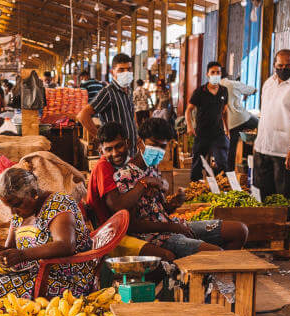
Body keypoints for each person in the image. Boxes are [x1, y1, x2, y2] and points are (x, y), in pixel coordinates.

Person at [88, 121, 246, 258]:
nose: (115, 153)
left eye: (162, 146)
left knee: (239, 230)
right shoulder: (120, 175)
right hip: (151, 235)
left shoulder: (151, 168)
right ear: (140, 143)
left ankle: (213, 278)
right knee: (217, 254)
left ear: (128, 143)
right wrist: (144, 184)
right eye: (153, 145)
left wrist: (175, 203)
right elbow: (128, 219)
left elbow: (158, 209)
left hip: (170, 225)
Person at [0, 166, 99, 303]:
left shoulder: (59, 203)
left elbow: (66, 245)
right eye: (9, 207)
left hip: (63, 279)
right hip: (30, 274)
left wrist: (22, 255)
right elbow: (8, 251)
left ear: (33, 193)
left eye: (17, 204)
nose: (13, 212)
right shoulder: (19, 216)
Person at [253, 47, 290, 213]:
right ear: (274, 65)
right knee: (264, 198)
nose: (283, 69)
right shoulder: (269, 83)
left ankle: (287, 229)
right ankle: (266, 229)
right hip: (264, 150)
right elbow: (265, 114)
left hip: (285, 153)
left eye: (288, 65)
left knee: (285, 200)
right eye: (280, 65)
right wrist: (258, 143)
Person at [78, 53, 139, 155]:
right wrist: (101, 140)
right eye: (121, 70)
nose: (126, 73)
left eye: (129, 69)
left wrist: (136, 135)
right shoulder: (108, 92)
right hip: (115, 154)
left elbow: (131, 116)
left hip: (130, 152)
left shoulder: (129, 91)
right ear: (112, 72)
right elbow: (83, 115)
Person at [186, 61, 234, 180]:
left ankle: (222, 185)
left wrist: (227, 129)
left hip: (218, 133)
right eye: (213, 72)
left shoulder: (224, 91)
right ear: (207, 74)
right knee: (198, 163)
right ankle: (195, 185)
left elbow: (224, 112)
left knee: (222, 161)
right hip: (202, 132)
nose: (215, 75)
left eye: (218, 72)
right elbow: (188, 110)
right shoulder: (200, 91)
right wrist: (189, 126)